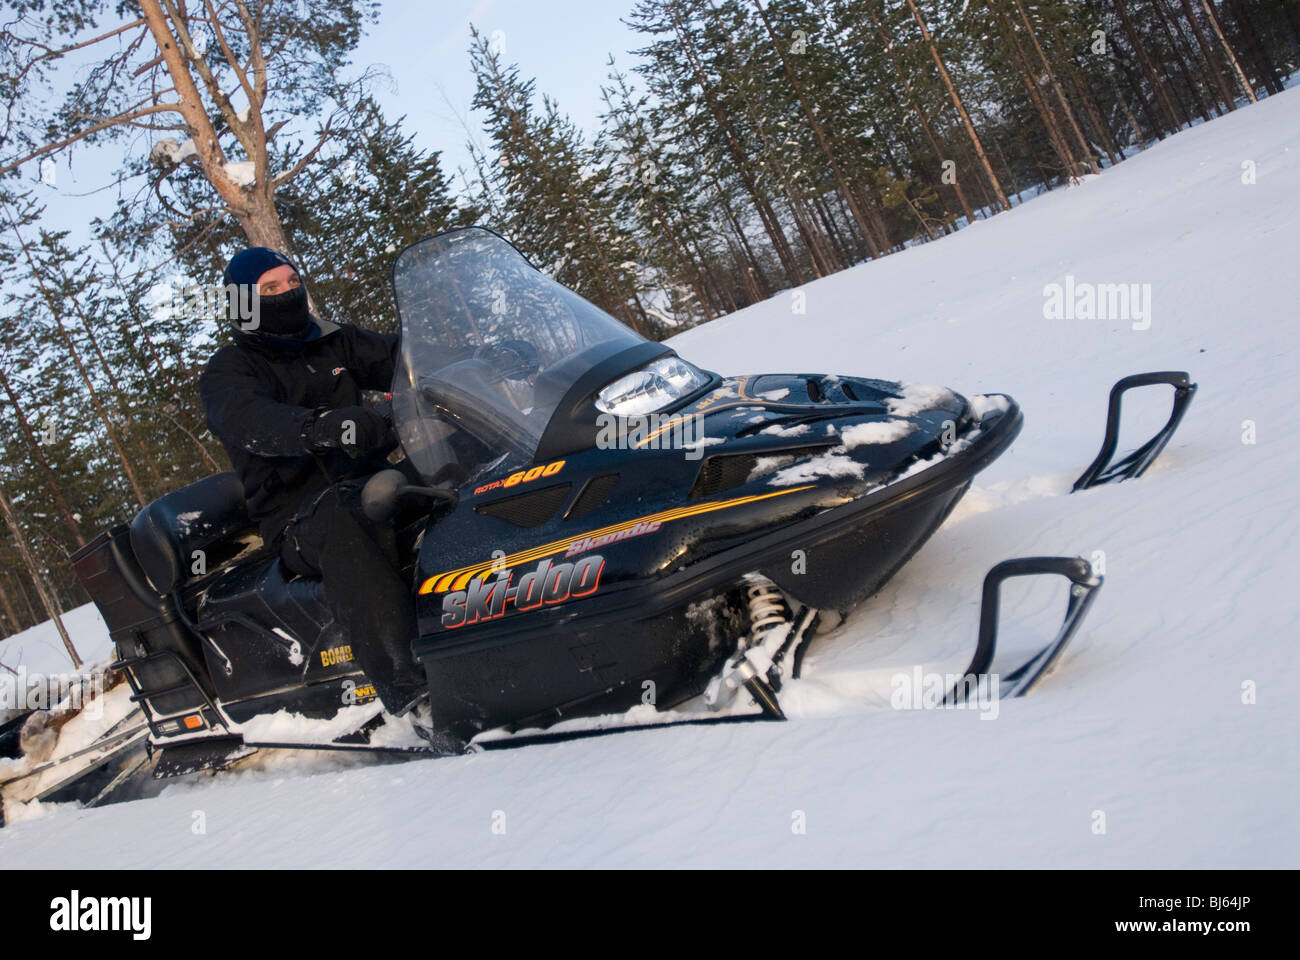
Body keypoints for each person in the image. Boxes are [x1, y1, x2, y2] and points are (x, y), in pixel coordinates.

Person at [198, 247, 427, 714]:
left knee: (452, 456)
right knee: (345, 514)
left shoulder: (332, 341)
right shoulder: (229, 371)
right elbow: (251, 421)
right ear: (242, 303)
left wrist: (468, 356)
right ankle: (407, 686)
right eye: (270, 289)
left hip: (373, 482)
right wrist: (320, 428)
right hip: (301, 518)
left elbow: (402, 358)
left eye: (291, 281)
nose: (287, 293)